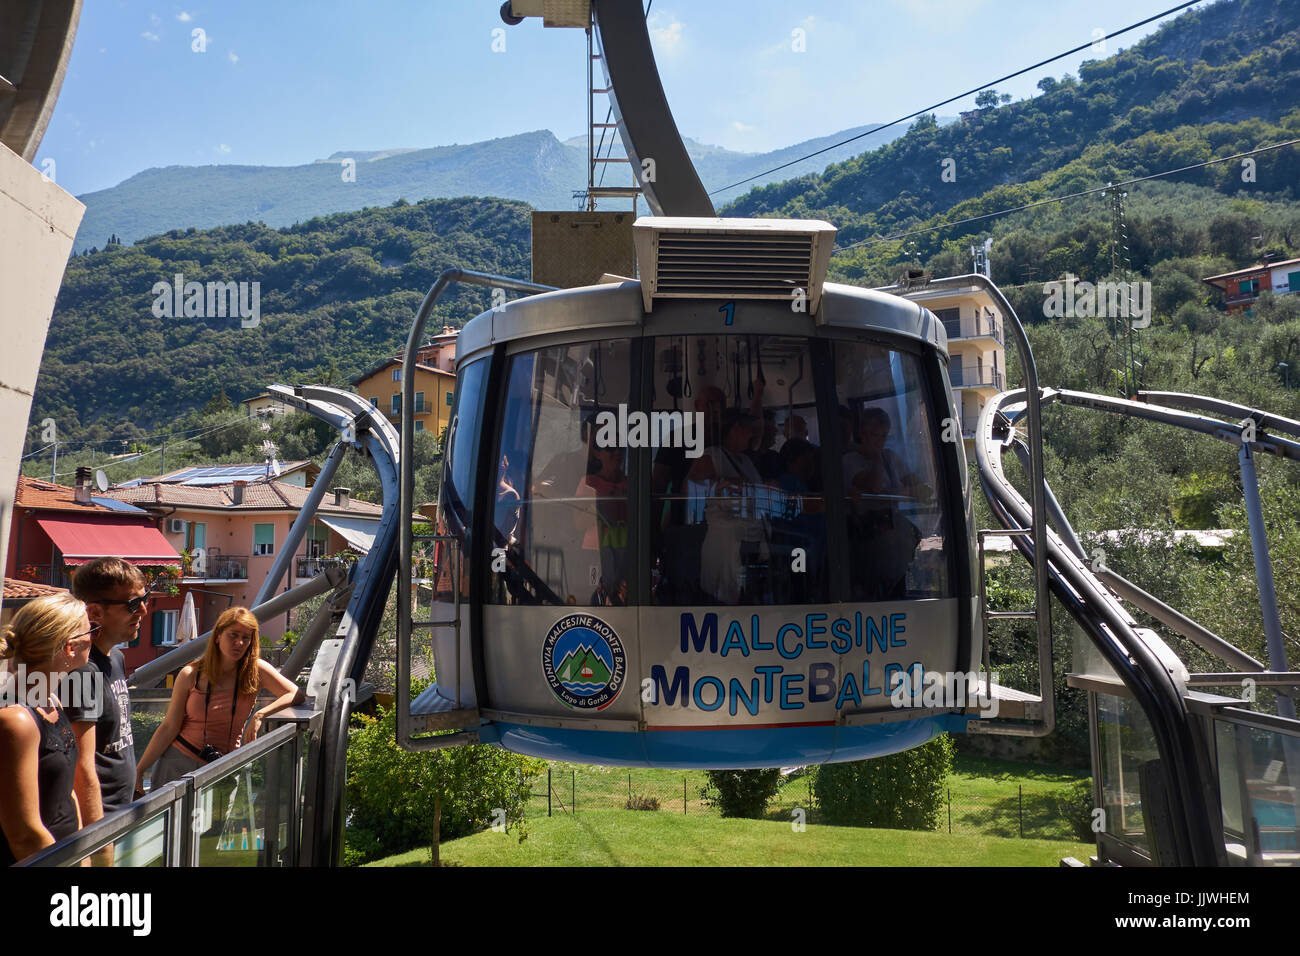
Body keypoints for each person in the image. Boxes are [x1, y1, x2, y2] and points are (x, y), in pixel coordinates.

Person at [134, 607, 302, 791]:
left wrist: (260, 715)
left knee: (217, 821)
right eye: (233, 635)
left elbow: (294, 693)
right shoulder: (191, 674)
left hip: (224, 766)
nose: (239, 642)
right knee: (173, 820)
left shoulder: (255, 670)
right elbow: (169, 727)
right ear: (217, 637)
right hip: (179, 761)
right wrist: (140, 770)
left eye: (246, 638)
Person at [0, 593, 94, 865]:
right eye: (91, 630)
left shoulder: (51, 701)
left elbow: (66, 793)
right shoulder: (15, 720)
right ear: (70, 647)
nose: (94, 637)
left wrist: (82, 856)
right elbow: (24, 835)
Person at [66, 558, 146, 829]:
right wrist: (96, 843)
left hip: (121, 814)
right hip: (100, 824)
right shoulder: (82, 672)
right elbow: (81, 769)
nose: (144, 611)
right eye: (134, 604)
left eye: (144, 600)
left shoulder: (117, 658)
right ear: (95, 612)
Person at [689, 409, 770, 604]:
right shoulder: (712, 456)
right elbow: (689, 489)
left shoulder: (747, 461)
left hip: (751, 542)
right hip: (725, 544)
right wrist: (722, 483)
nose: (752, 434)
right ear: (735, 429)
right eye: (748, 429)